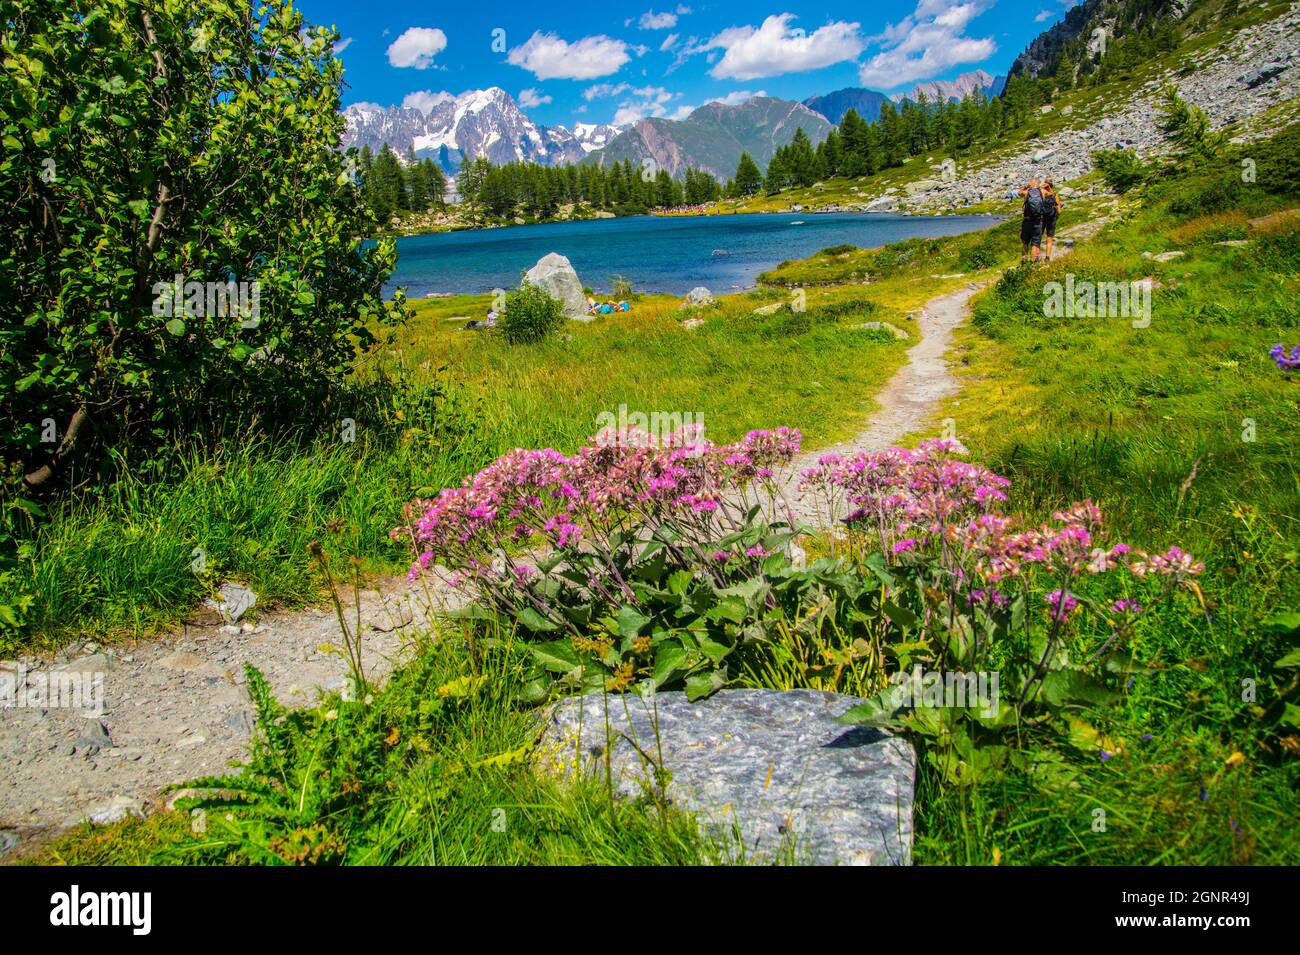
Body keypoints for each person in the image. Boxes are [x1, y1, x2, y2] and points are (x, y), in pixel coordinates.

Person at [1017, 176, 1047, 264]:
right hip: (1038, 221)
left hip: (1027, 221)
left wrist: (1026, 186)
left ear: (1031, 183)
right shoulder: (1042, 192)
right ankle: (1033, 262)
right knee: (1035, 242)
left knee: (1025, 241)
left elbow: (1019, 193)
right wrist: (1045, 186)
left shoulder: (1027, 192)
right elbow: (1051, 193)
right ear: (1038, 183)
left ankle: (1024, 260)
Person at [1041, 179, 1062, 261]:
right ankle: (1047, 257)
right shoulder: (1055, 194)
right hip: (1051, 218)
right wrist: (1056, 217)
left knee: (1038, 237)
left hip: (1041, 218)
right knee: (1049, 237)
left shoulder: (1041, 193)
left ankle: (1035, 256)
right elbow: (1059, 210)